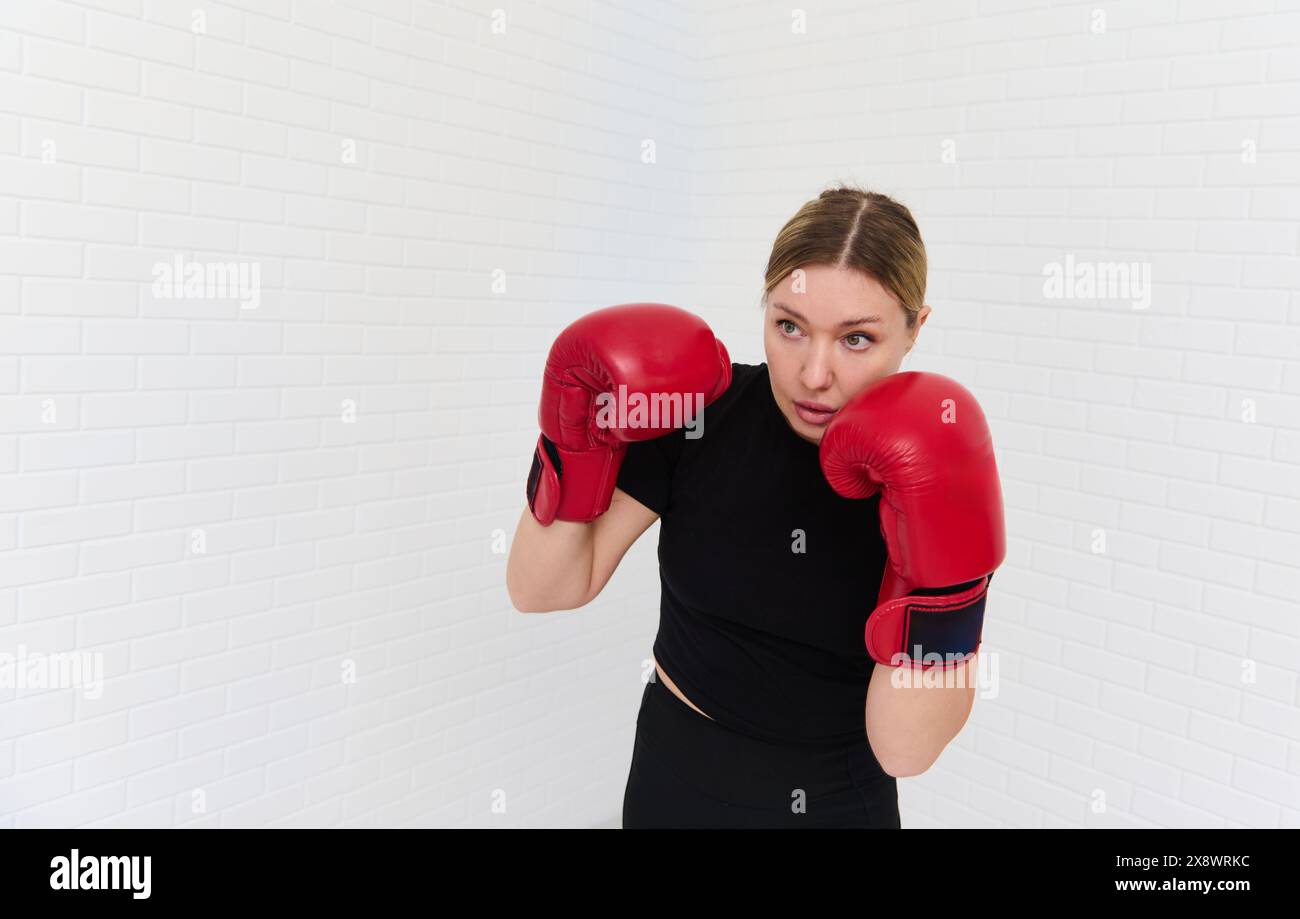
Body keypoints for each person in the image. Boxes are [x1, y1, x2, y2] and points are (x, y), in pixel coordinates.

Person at [506, 185, 1006, 828]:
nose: (814, 373)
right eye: (789, 326)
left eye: (856, 339)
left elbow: (905, 750)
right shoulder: (700, 415)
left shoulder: (933, 465)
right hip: (671, 771)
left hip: (831, 798)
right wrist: (571, 440)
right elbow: (542, 588)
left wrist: (942, 575)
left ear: (916, 329)